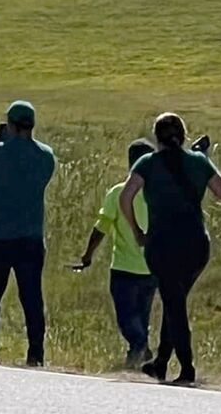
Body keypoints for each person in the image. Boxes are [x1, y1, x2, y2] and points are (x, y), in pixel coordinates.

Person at [120, 113, 221, 386]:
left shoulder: (147, 163)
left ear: (156, 138)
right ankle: (160, 363)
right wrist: (204, 160)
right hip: (196, 244)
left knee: (174, 303)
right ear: (183, 136)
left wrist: (137, 231)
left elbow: (126, 197)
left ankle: (186, 368)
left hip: (162, 244)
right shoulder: (198, 161)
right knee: (175, 300)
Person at [0, 101, 55, 367]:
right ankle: (36, 353)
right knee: (31, 296)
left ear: (11, 124)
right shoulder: (46, 155)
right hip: (30, 235)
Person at [75, 139, 157, 369]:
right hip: (152, 268)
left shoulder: (118, 193)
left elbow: (101, 227)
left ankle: (140, 346)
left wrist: (88, 254)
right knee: (142, 315)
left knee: (126, 316)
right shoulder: (158, 195)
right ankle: (139, 353)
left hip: (124, 267)